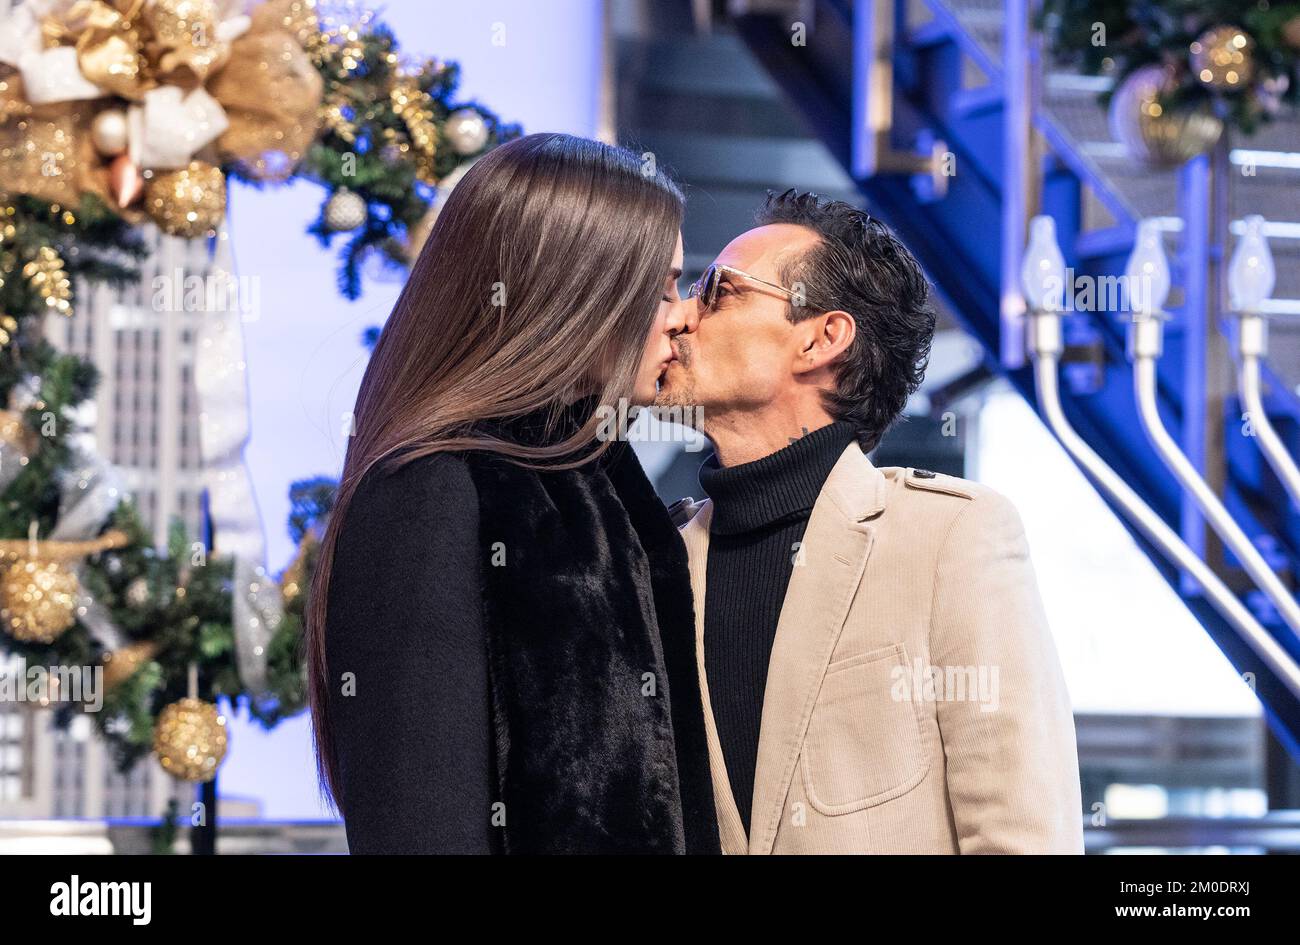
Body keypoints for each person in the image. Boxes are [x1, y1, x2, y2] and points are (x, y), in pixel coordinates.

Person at [305, 133, 719, 854]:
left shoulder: (596, 476)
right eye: (660, 289)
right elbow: (422, 824)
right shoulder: (431, 488)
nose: (683, 315)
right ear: (574, 295)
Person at [656, 189, 1083, 854]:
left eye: (719, 291)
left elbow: (1025, 840)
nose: (680, 315)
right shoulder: (662, 562)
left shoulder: (950, 540)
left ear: (821, 337)